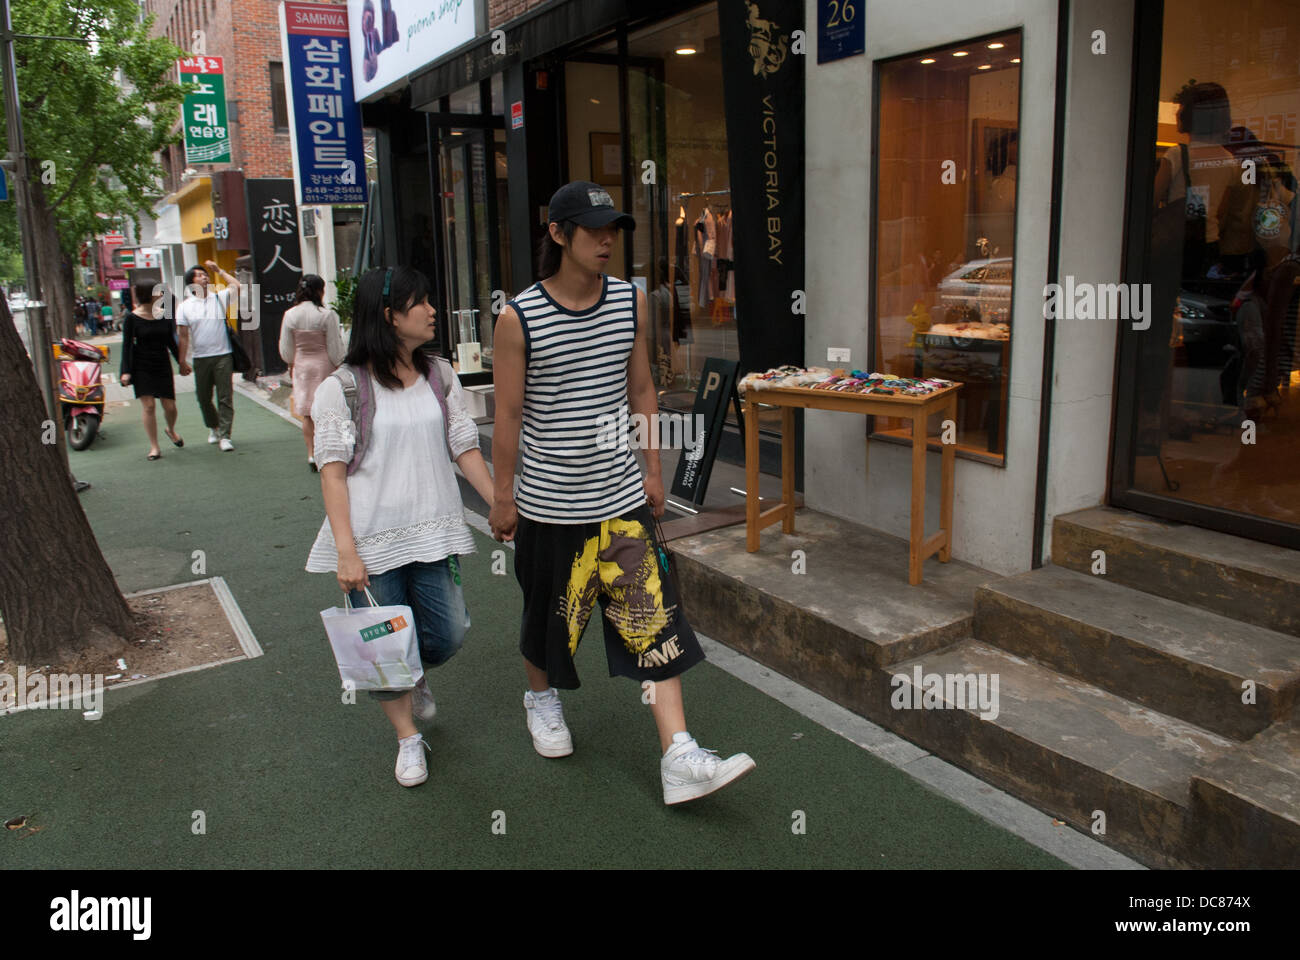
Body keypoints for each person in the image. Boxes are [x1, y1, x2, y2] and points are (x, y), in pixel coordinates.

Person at [489, 181, 755, 805]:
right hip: (550, 504)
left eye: (612, 229)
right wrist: (503, 496)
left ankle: (678, 754)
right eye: (593, 229)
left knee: (654, 620)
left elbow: (641, 390)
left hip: (620, 500)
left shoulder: (628, 301)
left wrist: (653, 471)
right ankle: (541, 699)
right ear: (558, 234)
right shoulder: (517, 317)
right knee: (549, 622)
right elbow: (508, 415)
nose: (606, 240)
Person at [307, 265, 495, 788]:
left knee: (448, 634)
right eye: (421, 303)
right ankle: (408, 738)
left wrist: (501, 505)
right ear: (389, 316)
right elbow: (332, 473)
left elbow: (464, 445)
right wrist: (346, 551)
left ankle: (413, 675)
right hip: (370, 541)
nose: (433, 311)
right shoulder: (342, 388)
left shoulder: (440, 375)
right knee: (382, 651)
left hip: (433, 532)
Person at [279, 274, 346, 470]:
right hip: (324, 364)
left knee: (307, 413)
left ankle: (311, 454)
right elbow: (335, 347)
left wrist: (291, 362)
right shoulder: (326, 315)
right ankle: (330, 451)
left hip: (302, 366)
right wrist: (340, 363)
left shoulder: (290, 314)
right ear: (319, 291)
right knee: (327, 409)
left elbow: (286, 348)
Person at [176, 260, 240, 451]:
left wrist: (219, 270)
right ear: (191, 283)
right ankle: (214, 426)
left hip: (223, 355)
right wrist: (181, 361)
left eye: (205, 274)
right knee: (203, 397)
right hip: (200, 357)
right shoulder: (184, 307)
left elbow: (237, 286)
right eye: (199, 275)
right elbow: (183, 336)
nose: (204, 277)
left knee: (225, 397)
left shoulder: (219, 298)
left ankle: (225, 436)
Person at [120, 281, 188, 460]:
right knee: (149, 406)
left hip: (162, 363)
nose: (162, 295)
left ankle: (171, 430)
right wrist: (125, 371)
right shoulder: (131, 318)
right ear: (148, 294)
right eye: (158, 292)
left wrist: (181, 363)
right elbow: (127, 346)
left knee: (170, 406)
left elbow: (171, 342)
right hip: (141, 365)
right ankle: (154, 447)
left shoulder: (165, 315)